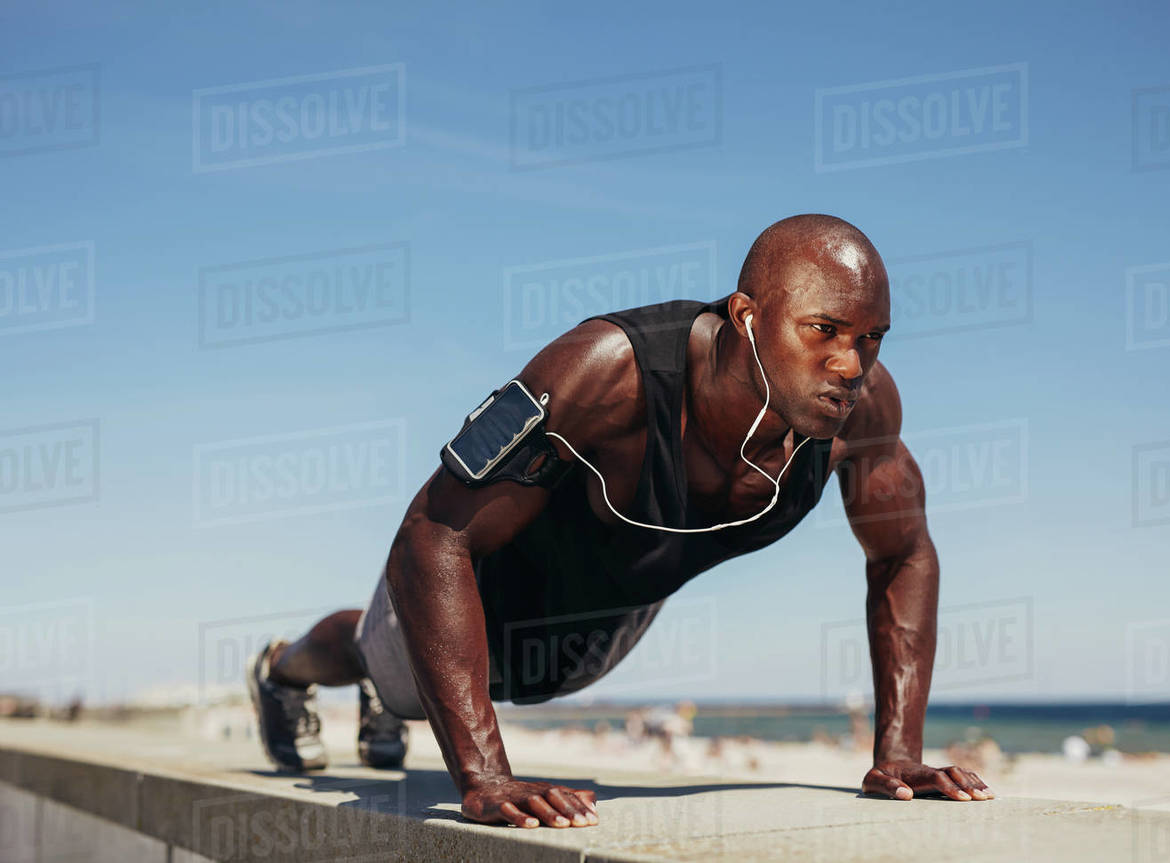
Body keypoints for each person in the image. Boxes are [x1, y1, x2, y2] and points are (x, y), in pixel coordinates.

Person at [246, 214, 995, 829]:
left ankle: (389, 690)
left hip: (599, 631)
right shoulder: (606, 371)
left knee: (517, 681)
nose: (849, 363)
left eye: (871, 338)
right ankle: (282, 671)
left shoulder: (863, 416)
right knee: (383, 663)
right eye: (824, 329)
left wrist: (898, 752)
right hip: (472, 590)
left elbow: (903, 552)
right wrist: (483, 774)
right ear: (747, 317)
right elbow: (434, 532)